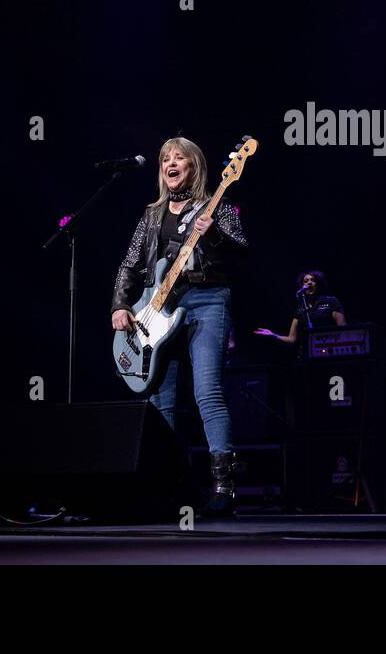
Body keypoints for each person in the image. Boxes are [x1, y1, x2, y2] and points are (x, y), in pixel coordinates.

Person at [110, 137, 247, 514]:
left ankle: (223, 487)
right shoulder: (152, 214)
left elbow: (242, 250)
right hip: (158, 311)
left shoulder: (215, 205)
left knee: (208, 391)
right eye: (165, 159)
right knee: (159, 401)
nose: (171, 164)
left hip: (207, 299)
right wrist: (120, 305)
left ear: (194, 166)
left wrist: (214, 232)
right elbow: (130, 265)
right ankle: (172, 486)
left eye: (179, 158)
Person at [253, 269, 347, 349]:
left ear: (318, 283)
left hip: (329, 349)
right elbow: (292, 339)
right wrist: (273, 335)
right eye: (305, 281)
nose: (309, 283)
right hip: (307, 356)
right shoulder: (300, 309)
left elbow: (343, 329)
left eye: (313, 280)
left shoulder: (331, 301)